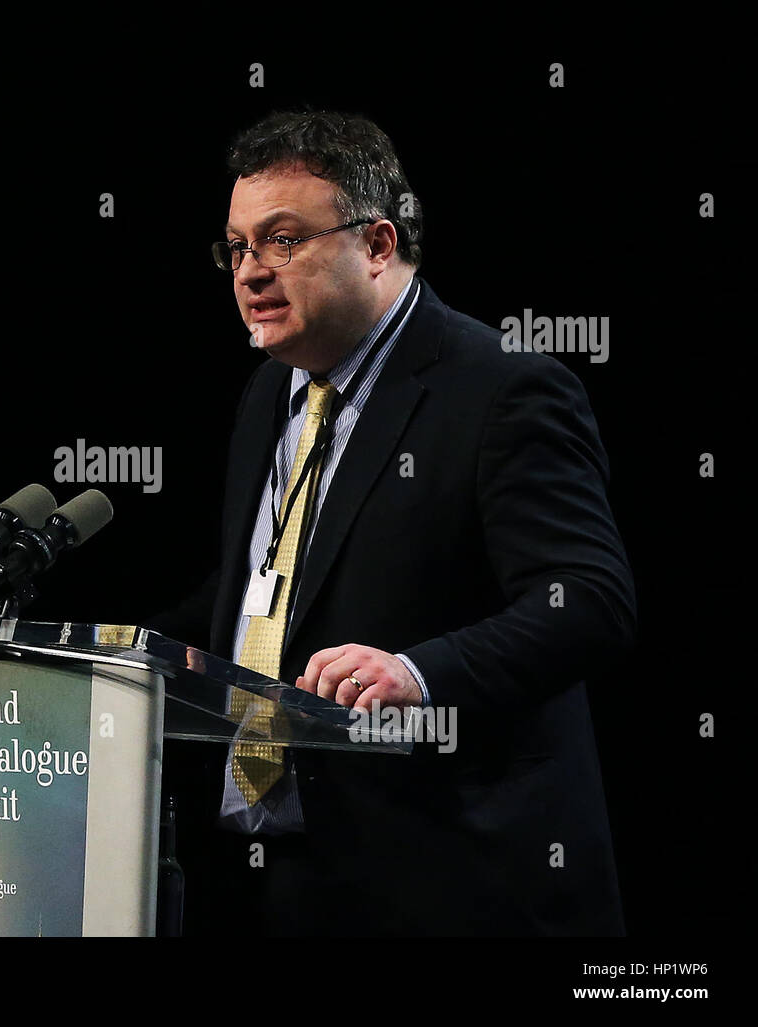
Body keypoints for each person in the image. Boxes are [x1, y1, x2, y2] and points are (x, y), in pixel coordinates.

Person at [146, 108, 635, 936]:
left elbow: (588, 600)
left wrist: (418, 674)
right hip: (280, 881)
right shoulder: (272, 393)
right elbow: (267, 592)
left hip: (454, 883)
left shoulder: (502, 389)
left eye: (284, 239)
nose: (250, 271)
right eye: (236, 247)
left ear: (377, 244)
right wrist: (114, 657)